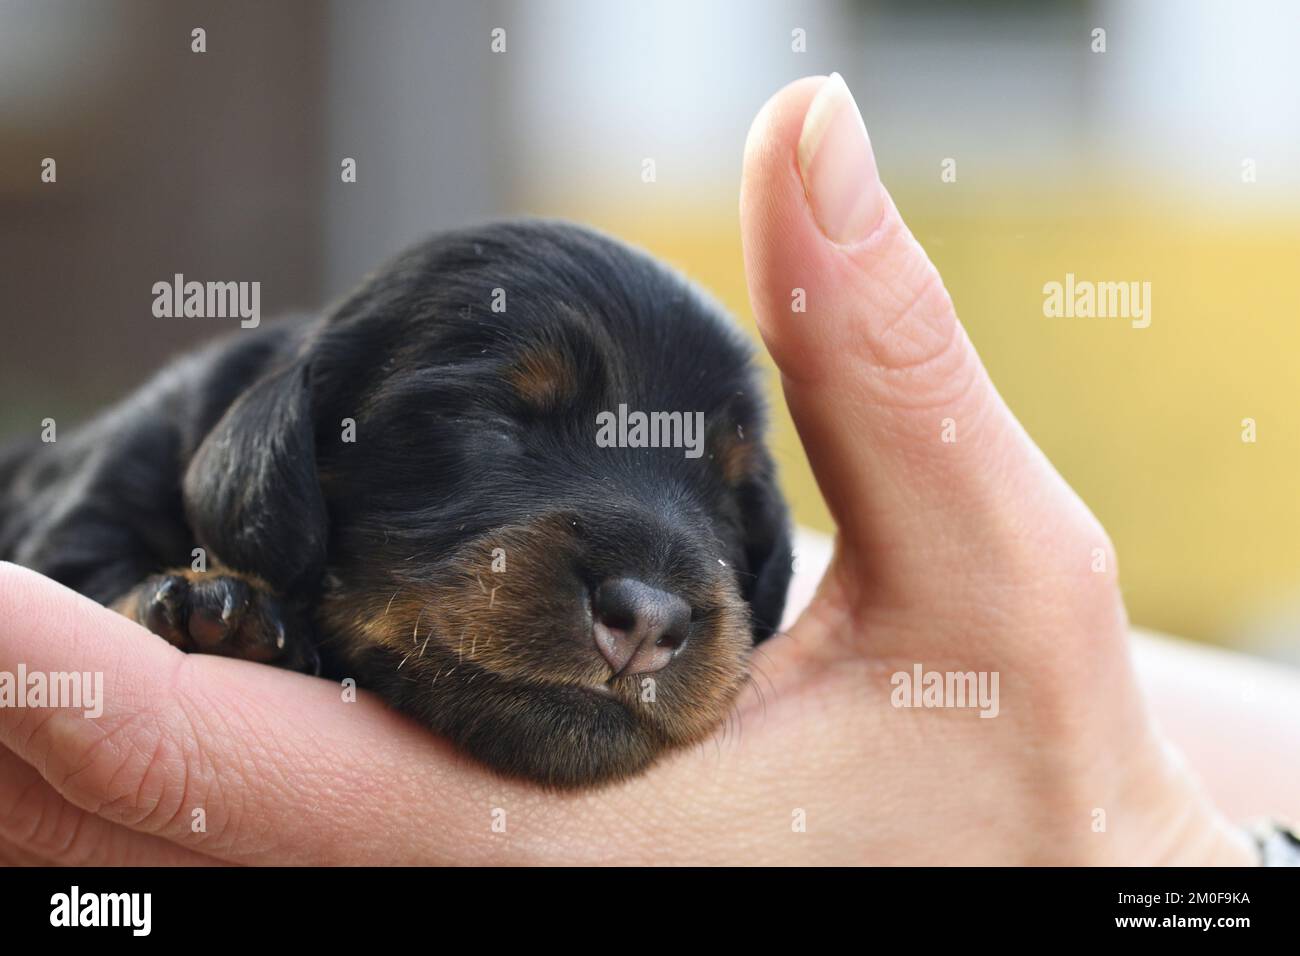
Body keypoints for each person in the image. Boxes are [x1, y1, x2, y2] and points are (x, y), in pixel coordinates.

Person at [0, 74, 1295, 865]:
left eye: (726, 510)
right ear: (297, 445)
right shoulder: (172, 457)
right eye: (502, 430)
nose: (652, 610)